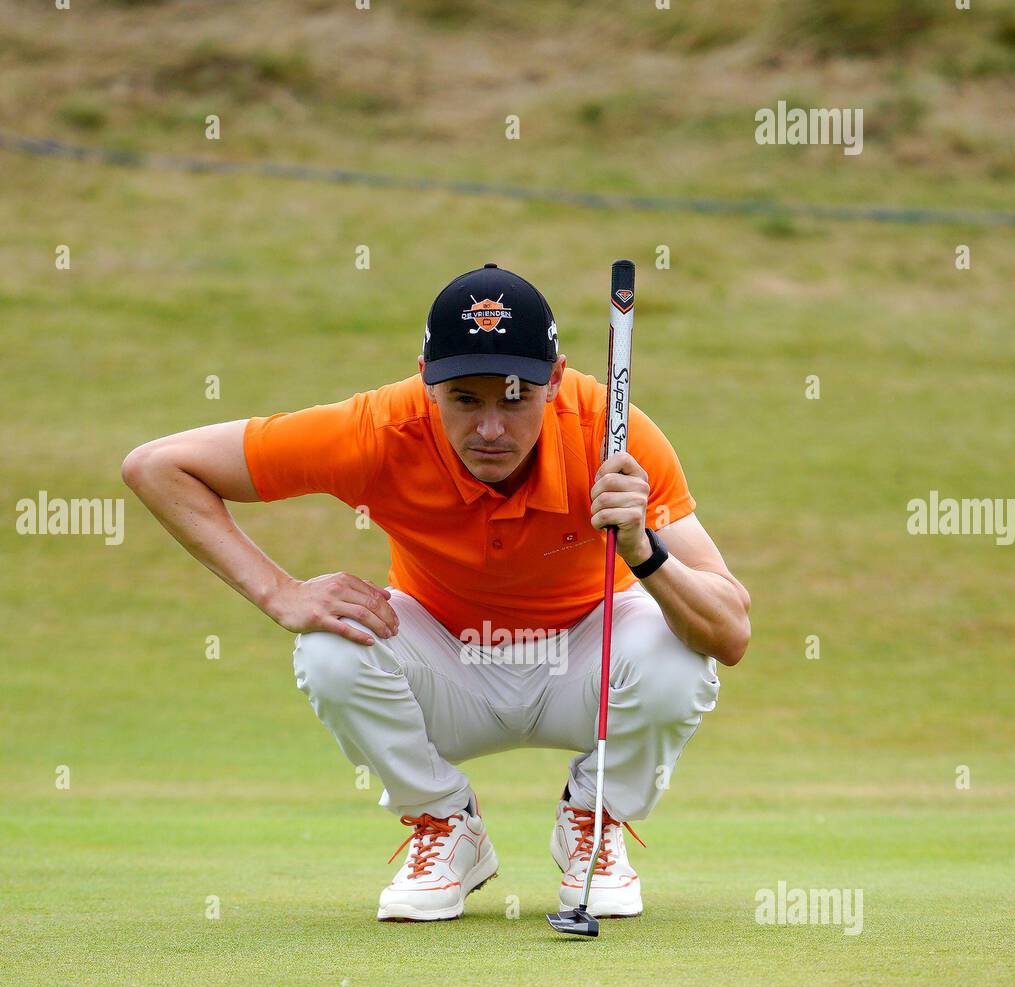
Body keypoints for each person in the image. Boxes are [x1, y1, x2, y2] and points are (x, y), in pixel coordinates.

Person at [122, 263, 750, 922]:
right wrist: (278, 592)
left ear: (555, 378)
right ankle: (444, 825)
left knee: (675, 648)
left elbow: (728, 632)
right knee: (331, 648)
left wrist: (644, 552)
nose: (489, 430)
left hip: (585, 662)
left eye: (513, 399)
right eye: (464, 400)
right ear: (425, 378)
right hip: (450, 663)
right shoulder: (378, 430)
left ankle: (596, 822)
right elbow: (158, 466)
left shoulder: (612, 431)